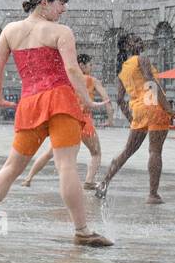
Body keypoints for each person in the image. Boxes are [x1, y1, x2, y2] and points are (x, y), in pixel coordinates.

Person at [0, 0, 111, 246]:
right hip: (60, 100)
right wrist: (87, 100)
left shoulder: (10, 31)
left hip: (30, 103)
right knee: (66, 166)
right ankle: (82, 231)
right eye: (61, 3)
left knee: (11, 167)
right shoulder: (60, 32)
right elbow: (71, 68)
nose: (64, 8)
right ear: (44, 3)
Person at [96, 34, 174, 204]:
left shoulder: (122, 70)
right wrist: (168, 108)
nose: (140, 42)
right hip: (154, 107)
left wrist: (131, 118)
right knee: (155, 151)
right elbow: (150, 79)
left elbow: (119, 99)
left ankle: (104, 183)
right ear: (127, 47)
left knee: (127, 151)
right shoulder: (142, 58)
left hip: (138, 110)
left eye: (140, 39)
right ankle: (153, 194)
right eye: (135, 41)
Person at [21, 53, 110, 189]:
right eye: (90, 65)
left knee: (50, 153)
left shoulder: (67, 79)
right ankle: (89, 181)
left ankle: (28, 178)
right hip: (85, 122)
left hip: (67, 120)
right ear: (82, 65)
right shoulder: (92, 81)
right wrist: (110, 118)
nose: (91, 68)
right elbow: (106, 99)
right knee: (96, 152)